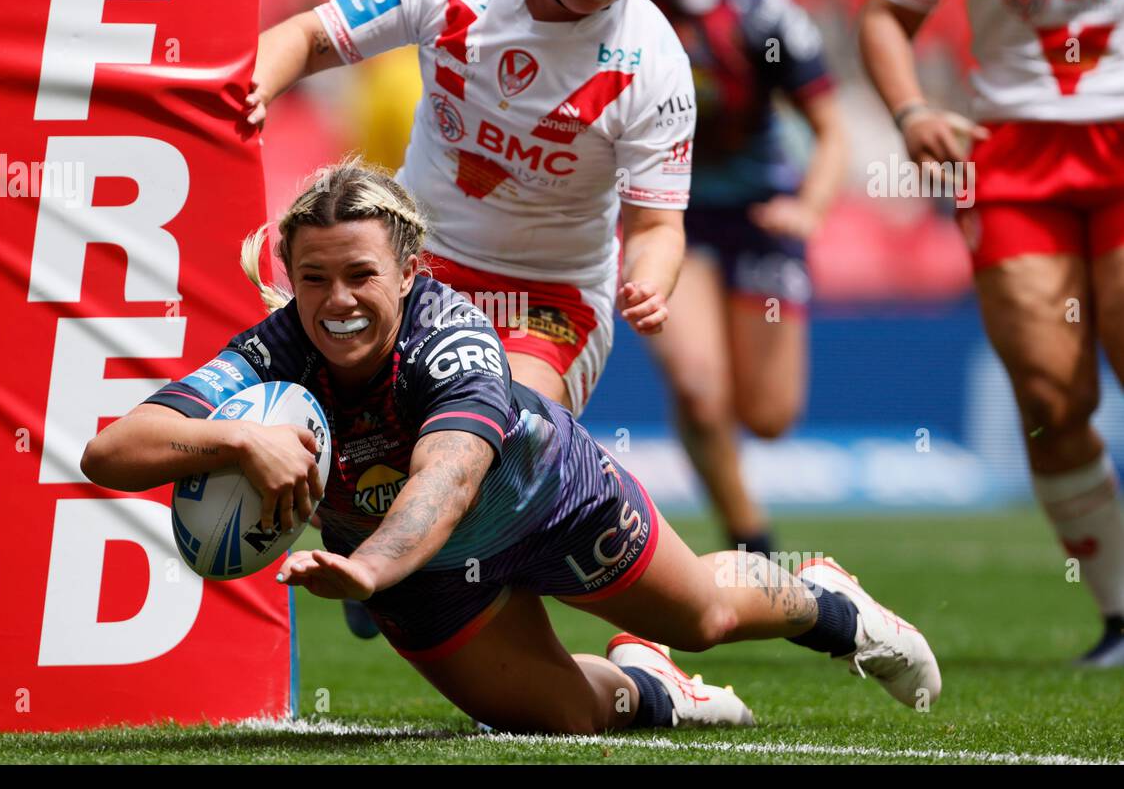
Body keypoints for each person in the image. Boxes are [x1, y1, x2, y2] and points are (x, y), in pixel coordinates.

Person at [81, 159, 941, 733]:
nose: (336, 299)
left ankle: (831, 601)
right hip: (419, 570)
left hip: (549, 504)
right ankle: (656, 685)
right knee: (565, 720)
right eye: (313, 279)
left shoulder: (452, 336)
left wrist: (369, 570)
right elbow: (112, 452)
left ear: (409, 271)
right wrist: (236, 438)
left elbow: (448, 476)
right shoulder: (273, 350)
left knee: (708, 617)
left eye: (360, 275)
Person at [246, 0, 692, 417]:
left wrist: (650, 280)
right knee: (321, 424)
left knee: (505, 432)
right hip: (415, 264)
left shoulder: (657, 60)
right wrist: (251, 90)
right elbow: (312, 36)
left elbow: (656, 227)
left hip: (550, 298)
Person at [858, 0, 1124, 666]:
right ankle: (1120, 614)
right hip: (1012, 159)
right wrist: (911, 113)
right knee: (1050, 392)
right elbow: (884, 16)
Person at [636, 0, 848, 557]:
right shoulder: (617, 10)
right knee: (698, 386)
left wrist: (808, 210)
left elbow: (832, 130)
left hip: (759, 219)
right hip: (664, 219)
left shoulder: (765, 14)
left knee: (770, 415)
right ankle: (750, 540)